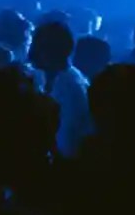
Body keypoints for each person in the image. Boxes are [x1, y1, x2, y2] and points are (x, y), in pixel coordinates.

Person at [29, 21, 92, 159]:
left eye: (38, 45)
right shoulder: (47, 78)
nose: (31, 51)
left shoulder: (70, 86)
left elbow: (66, 140)